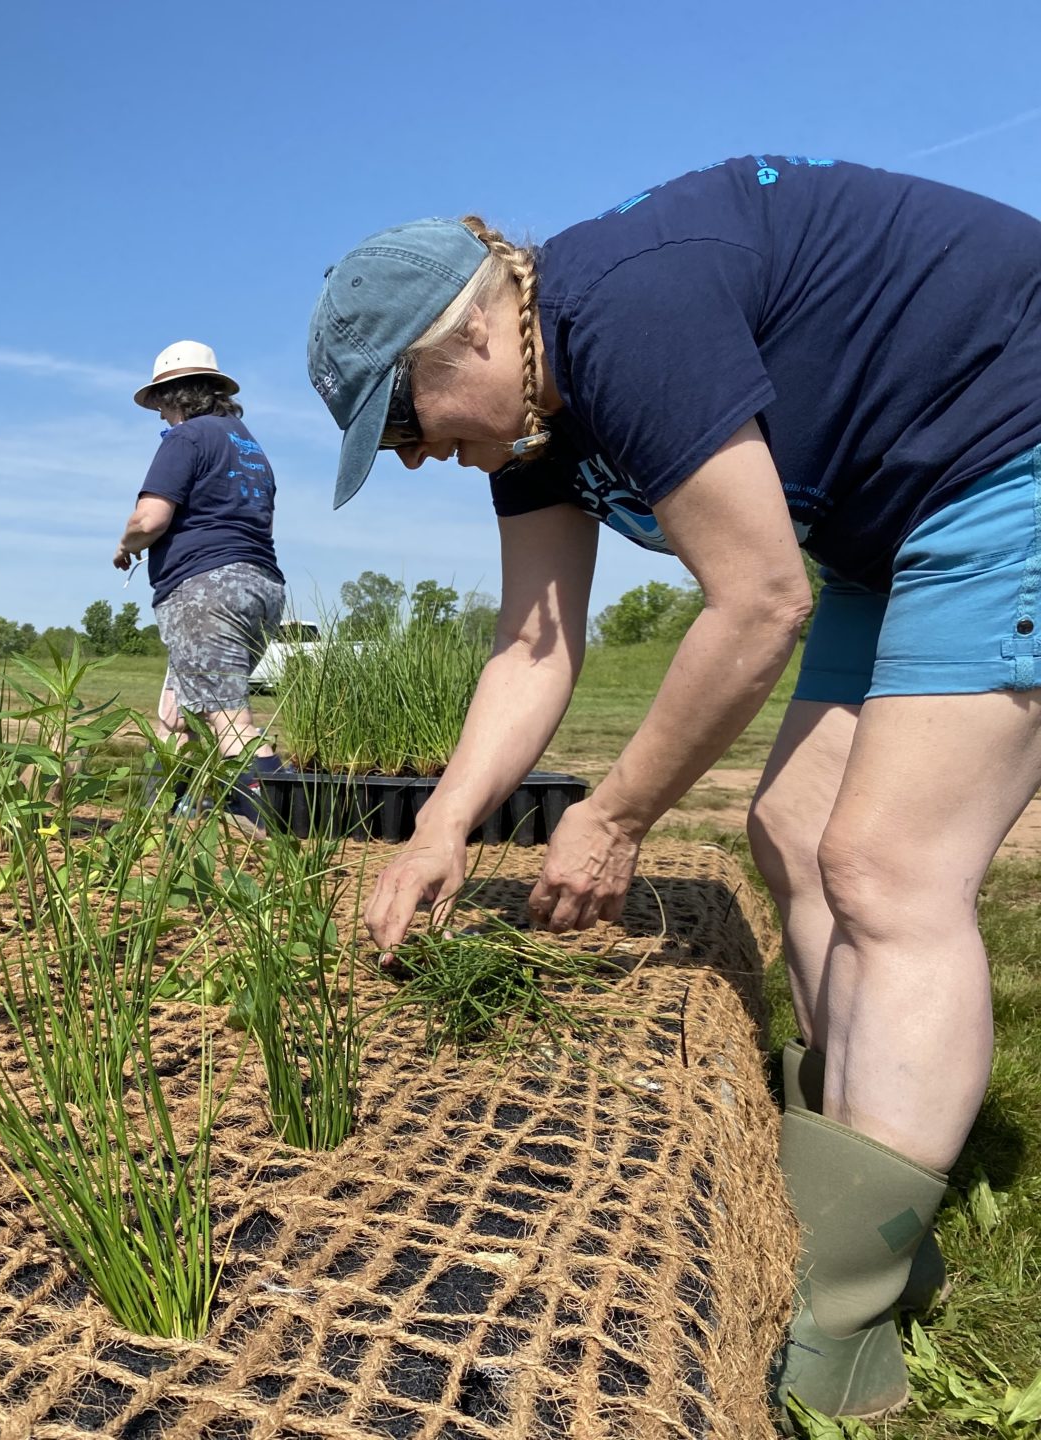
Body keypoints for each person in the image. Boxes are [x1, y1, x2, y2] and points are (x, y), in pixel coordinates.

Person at [307, 156, 1041, 1423]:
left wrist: (617, 812)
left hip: (1008, 455)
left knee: (888, 866)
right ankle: (869, 1172)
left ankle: (847, 1313)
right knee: (795, 830)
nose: (418, 454)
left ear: (476, 327)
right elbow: (536, 640)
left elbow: (757, 600)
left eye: (407, 416)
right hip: (893, 515)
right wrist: (438, 829)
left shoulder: (624, 313)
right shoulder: (533, 422)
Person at [114, 341, 291, 825]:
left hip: (205, 591)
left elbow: (150, 518)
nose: (162, 416)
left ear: (174, 396)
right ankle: (157, 814)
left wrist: (127, 545)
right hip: (261, 586)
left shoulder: (185, 439)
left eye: (161, 405)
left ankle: (271, 821)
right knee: (179, 710)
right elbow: (262, 523)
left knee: (226, 715)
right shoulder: (249, 446)